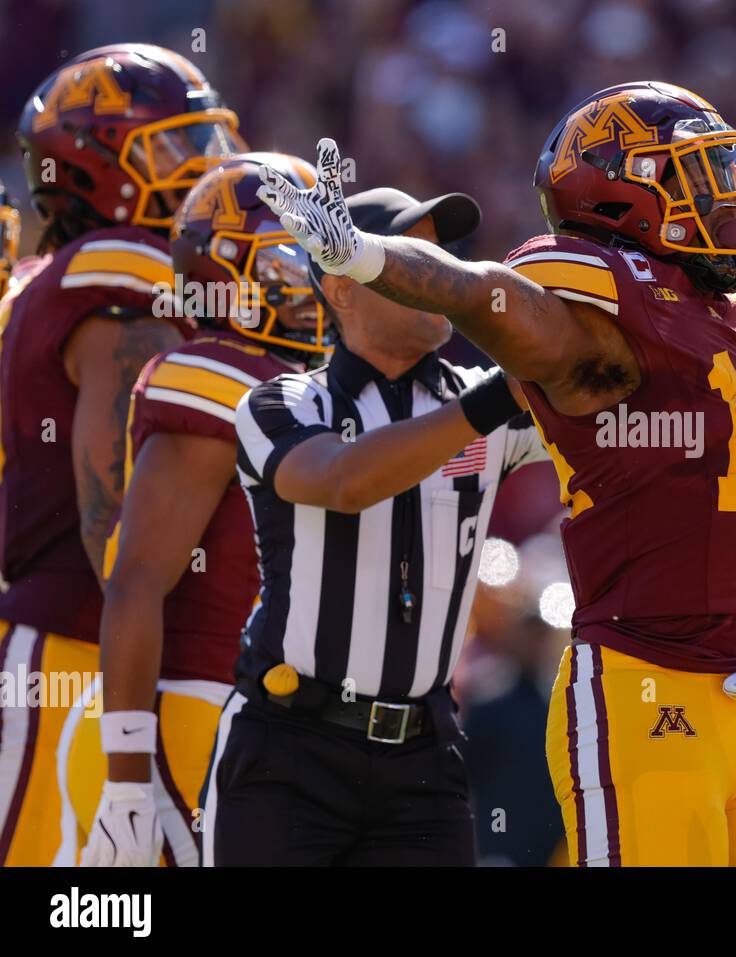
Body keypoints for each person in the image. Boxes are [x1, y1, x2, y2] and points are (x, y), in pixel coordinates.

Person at [256, 81, 736, 866]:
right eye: (696, 176)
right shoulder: (591, 302)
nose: (729, 196)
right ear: (622, 199)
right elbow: (485, 293)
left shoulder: (710, 308)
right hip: (641, 694)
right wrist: (363, 255)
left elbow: (713, 376)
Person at [202, 186, 550, 865]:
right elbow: (344, 481)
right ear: (342, 284)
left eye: (441, 253)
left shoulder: (484, 401)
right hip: (288, 749)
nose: (439, 271)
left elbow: (659, 386)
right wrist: (498, 397)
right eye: (409, 255)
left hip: (423, 760)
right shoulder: (283, 401)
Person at [0, 43, 244, 866]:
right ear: (93, 167)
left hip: (115, 656)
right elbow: (118, 537)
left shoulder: (78, 273)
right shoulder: (122, 271)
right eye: (175, 147)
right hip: (74, 651)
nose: (207, 166)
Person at [54, 153, 330, 866]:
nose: (318, 285)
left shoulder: (301, 382)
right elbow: (138, 577)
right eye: (297, 265)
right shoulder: (216, 378)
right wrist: (125, 783)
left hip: (259, 727)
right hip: (186, 715)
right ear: (233, 276)